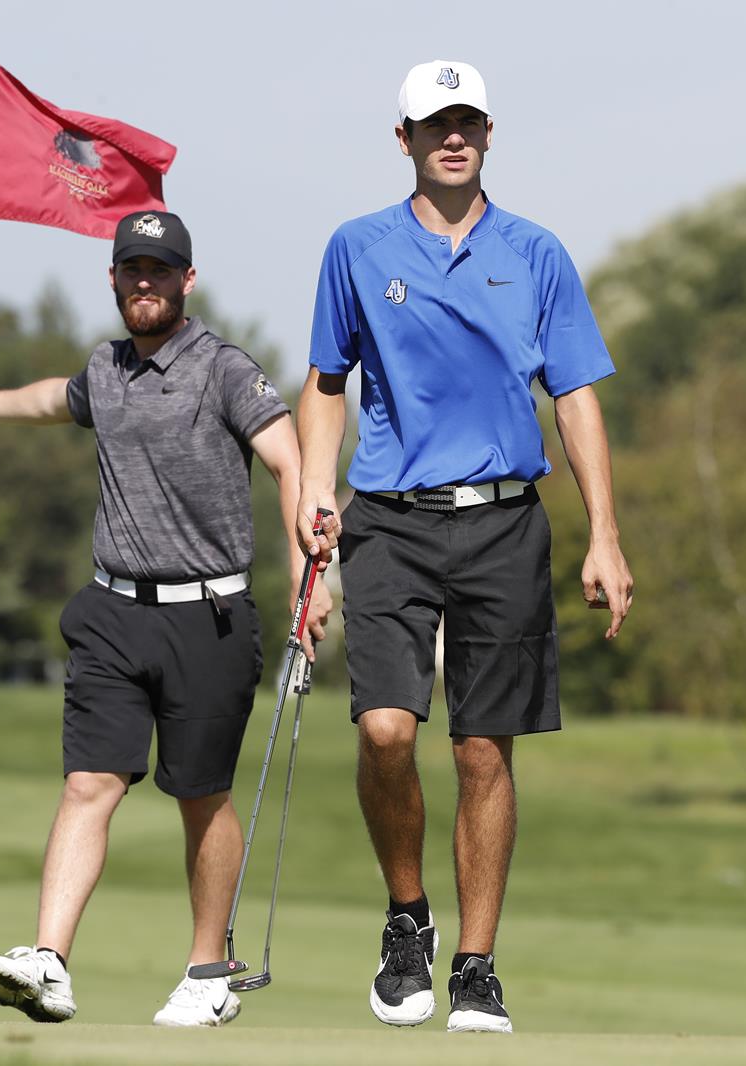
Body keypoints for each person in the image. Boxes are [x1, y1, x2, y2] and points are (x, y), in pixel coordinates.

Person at [294, 60, 634, 1034]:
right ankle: (409, 920)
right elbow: (327, 378)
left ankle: (477, 966)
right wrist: (315, 493)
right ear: (401, 139)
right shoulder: (357, 247)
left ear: (488, 133)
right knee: (386, 729)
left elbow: (575, 393)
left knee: (484, 747)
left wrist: (604, 535)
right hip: (391, 516)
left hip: (504, 518)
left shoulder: (536, 252)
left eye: (468, 121)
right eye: (434, 124)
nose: (454, 136)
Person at [0, 210, 330, 1027]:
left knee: (200, 796)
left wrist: (311, 566)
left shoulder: (226, 369)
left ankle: (208, 972)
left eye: (160, 271)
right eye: (132, 269)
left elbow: (285, 459)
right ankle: (49, 960)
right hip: (113, 612)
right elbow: (53, 400)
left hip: (211, 617)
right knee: (89, 783)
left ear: (186, 281)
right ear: (115, 279)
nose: (144, 283)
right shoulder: (106, 369)